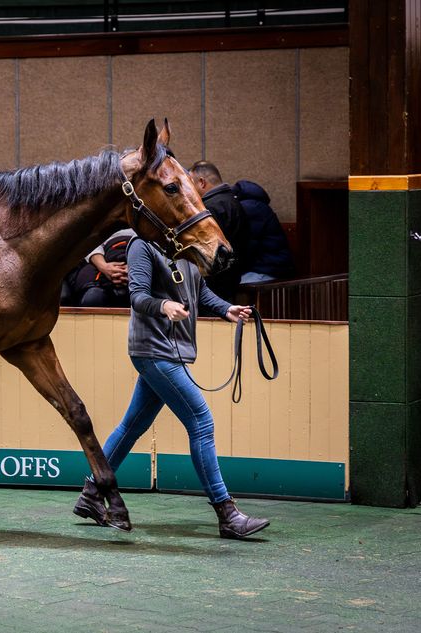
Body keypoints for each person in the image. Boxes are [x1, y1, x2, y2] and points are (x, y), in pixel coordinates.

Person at [72, 237, 270, 540]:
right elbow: (138, 297)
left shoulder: (183, 248)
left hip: (168, 352)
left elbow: (199, 290)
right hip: (154, 351)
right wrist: (164, 305)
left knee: (132, 426)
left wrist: (226, 309)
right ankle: (227, 513)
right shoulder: (142, 246)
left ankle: (91, 493)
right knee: (201, 422)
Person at [189, 160, 248, 302]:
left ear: (202, 182)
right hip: (231, 279)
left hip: (213, 286)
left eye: (190, 183)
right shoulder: (233, 201)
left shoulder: (210, 208)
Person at [232, 180, 295, 284]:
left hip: (269, 268)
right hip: (270, 265)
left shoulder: (250, 208)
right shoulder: (255, 206)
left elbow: (246, 244)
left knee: (231, 288)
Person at [63, 228, 134, 307]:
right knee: (92, 298)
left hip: (140, 258)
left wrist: (137, 269)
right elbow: (90, 239)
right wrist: (104, 266)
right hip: (102, 258)